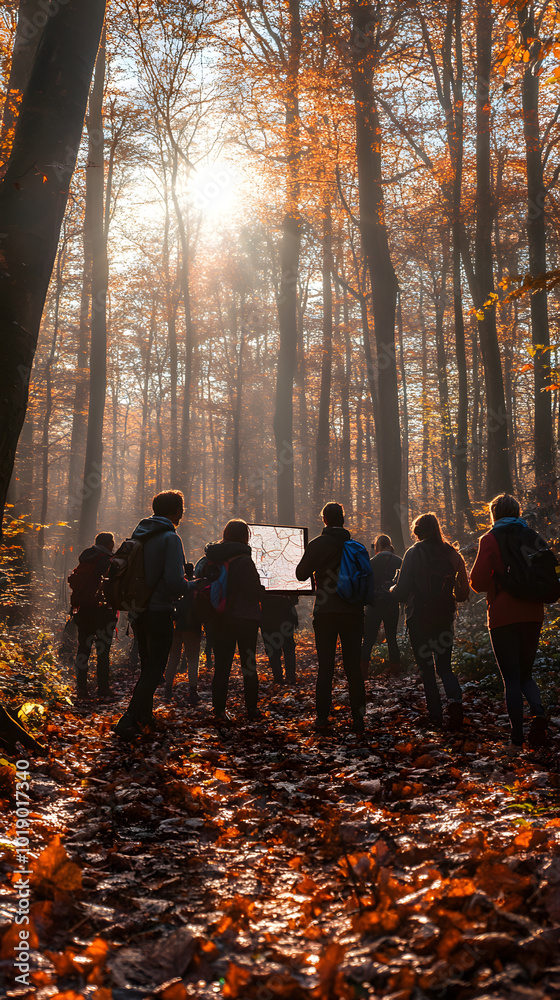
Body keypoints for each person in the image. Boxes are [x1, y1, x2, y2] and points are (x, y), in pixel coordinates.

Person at [470, 493, 548, 748]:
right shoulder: (533, 536)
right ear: (517, 512)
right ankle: (539, 712)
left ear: (494, 514)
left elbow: (477, 581)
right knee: (526, 674)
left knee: (511, 678)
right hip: (533, 614)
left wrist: (497, 578)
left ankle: (516, 736)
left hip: (503, 615)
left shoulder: (490, 539)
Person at [113, 490, 188, 737]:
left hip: (138, 610)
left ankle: (145, 717)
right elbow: (175, 584)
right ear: (175, 510)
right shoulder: (170, 538)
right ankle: (129, 719)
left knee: (147, 666)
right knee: (155, 669)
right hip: (159, 611)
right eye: (181, 509)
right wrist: (194, 585)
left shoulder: (141, 535)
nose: (182, 514)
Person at [391, 513, 469, 730]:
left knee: (427, 669)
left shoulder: (413, 553)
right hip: (444, 618)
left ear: (417, 531)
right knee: (445, 667)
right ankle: (455, 702)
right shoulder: (452, 554)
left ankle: (436, 715)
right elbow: (463, 593)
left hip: (419, 618)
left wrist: (392, 589)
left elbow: (402, 592)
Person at [295, 502, 366, 733]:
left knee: (326, 667)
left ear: (324, 519)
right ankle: (358, 718)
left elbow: (300, 574)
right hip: (353, 612)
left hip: (325, 612)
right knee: (353, 667)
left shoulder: (318, 544)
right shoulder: (355, 546)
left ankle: (322, 718)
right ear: (342, 519)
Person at [200, 518, 264, 723]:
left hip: (220, 617)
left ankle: (219, 709)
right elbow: (253, 591)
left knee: (222, 665)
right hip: (246, 618)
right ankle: (251, 709)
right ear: (245, 537)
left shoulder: (213, 557)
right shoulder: (245, 560)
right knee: (248, 664)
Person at [69, 531, 117, 700]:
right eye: (112, 542)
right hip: (102, 611)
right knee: (103, 651)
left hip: (83, 610)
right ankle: (103, 687)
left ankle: (81, 688)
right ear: (108, 543)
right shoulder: (107, 560)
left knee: (83, 649)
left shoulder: (86, 557)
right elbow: (111, 584)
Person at [360, 534, 402, 680]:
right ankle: (395, 670)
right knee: (391, 638)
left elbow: (365, 582)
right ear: (389, 545)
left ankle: (363, 670)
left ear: (377, 546)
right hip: (392, 604)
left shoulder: (371, 562)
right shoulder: (399, 561)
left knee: (369, 638)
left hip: (374, 604)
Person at [164, 562, 201, 705]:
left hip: (176, 626)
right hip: (191, 627)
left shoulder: (177, 587)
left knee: (173, 658)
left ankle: (168, 689)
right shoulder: (197, 587)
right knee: (193, 660)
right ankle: (193, 690)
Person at [260, 594, 298, 685]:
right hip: (286, 616)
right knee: (288, 648)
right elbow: (294, 599)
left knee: (273, 650)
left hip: (268, 618)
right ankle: (290, 677)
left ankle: (278, 678)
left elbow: (258, 595)